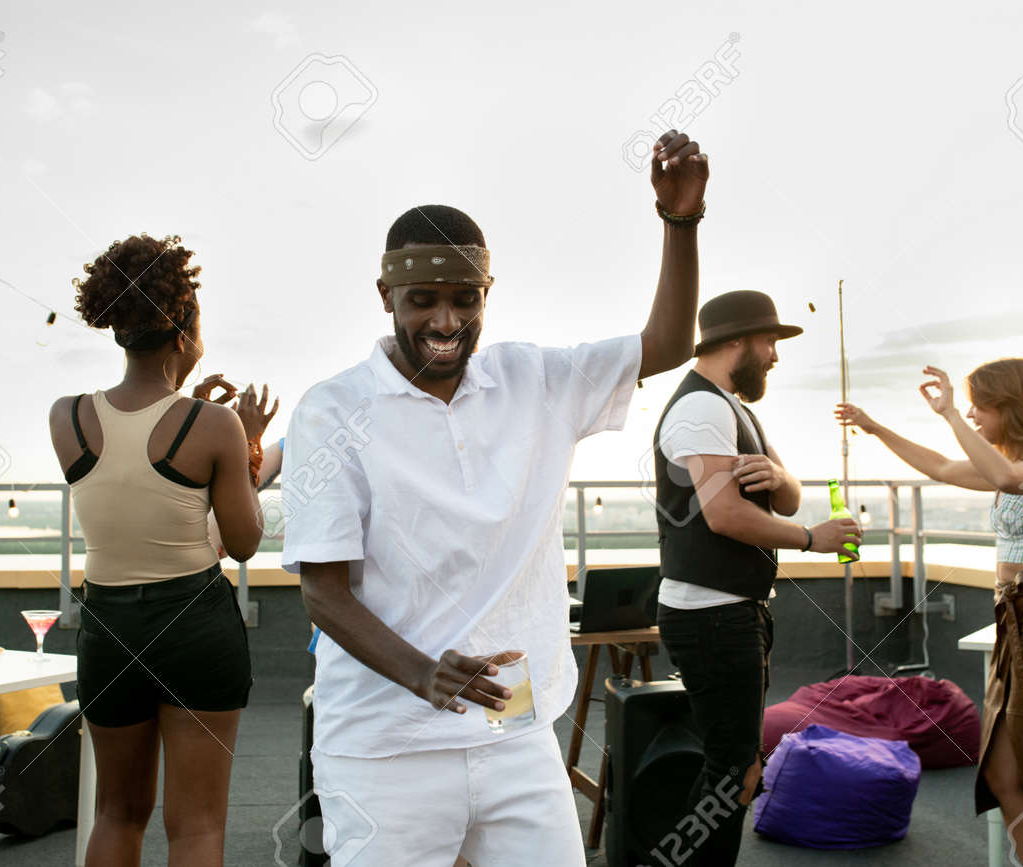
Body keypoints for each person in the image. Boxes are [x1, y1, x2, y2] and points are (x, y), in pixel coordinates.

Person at [280, 130, 708, 866]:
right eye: (422, 301)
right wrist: (423, 673)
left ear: (487, 295)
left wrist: (681, 222)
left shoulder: (535, 381)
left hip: (511, 725)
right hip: (385, 742)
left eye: (465, 299)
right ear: (385, 297)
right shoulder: (333, 409)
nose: (446, 323)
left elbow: (666, 344)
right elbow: (324, 592)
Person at [48, 233, 278, 867]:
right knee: (197, 827)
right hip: (194, 624)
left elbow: (133, 473)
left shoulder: (66, 417)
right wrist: (245, 443)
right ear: (183, 333)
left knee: (116, 815)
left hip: (107, 626)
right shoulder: (215, 425)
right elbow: (243, 542)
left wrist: (194, 409)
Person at [837, 359, 1023, 867]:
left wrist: (951, 414)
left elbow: (1002, 474)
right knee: (1001, 773)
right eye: (971, 407)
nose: (974, 415)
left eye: (980, 406)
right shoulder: (1013, 464)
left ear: (1011, 405)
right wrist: (874, 427)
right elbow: (940, 467)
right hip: (1017, 617)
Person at [651, 289, 860, 865]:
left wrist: (778, 475)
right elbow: (724, 515)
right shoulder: (701, 408)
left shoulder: (734, 407)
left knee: (736, 770)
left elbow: (787, 497)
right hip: (712, 617)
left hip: (735, 612)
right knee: (733, 774)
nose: (775, 355)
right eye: (769, 341)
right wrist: (813, 540)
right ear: (738, 341)